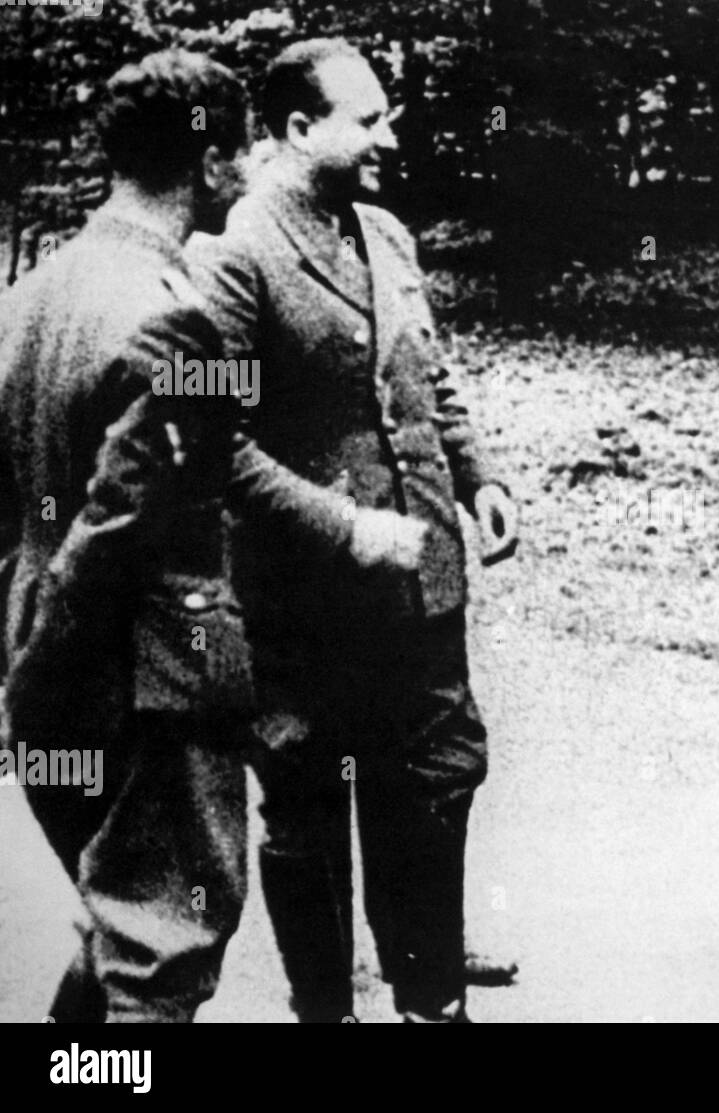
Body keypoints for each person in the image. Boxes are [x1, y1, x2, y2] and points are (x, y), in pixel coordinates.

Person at [187, 38, 519, 1023]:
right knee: (309, 809)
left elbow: (432, 381)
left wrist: (480, 476)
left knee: (433, 779)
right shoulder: (234, 256)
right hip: (309, 600)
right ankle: (325, 1009)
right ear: (297, 129)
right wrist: (344, 527)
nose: (388, 136)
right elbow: (218, 444)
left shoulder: (384, 233)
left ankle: (430, 996)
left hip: (420, 581)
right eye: (367, 120)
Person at [0, 49, 292, 1022]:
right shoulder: (178, 327)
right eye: (242, 151)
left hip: (49, 685)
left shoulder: (29, 299)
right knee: (158, 952)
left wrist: (27, 671)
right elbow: (121, 530)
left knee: (114, 924)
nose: (249, 173)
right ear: (210, 163)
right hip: (144, 687)